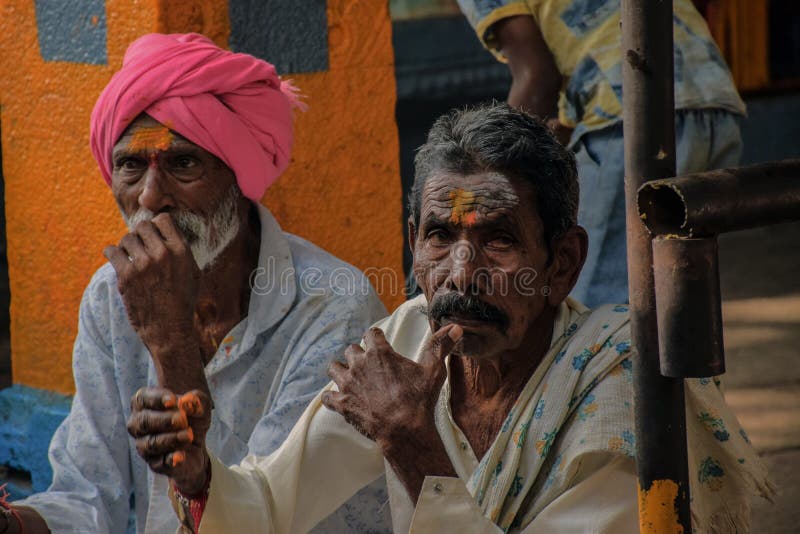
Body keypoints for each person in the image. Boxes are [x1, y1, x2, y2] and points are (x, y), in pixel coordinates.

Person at [127, 103, 771, 533]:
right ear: (414, 245)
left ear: (563, 263)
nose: (461, 272)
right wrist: (197, 471)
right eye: (440, 236)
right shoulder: (408, 338)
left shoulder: (622, 387)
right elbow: (268, 506)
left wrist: (415, 447)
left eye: (498, 240)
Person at [0, 33, 392, 534]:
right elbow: (85, 499)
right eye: (131, 165)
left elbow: (256, 516)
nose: (150, 198)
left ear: (238, 177)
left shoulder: (333, 309)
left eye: (183, 163)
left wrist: (170, 338)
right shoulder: (109, 294)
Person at [455, 0, 746, 307]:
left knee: (591, 306)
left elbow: (537, 77)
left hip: (630, 114)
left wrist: (485, 182)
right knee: (675, 296)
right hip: (716, 105)